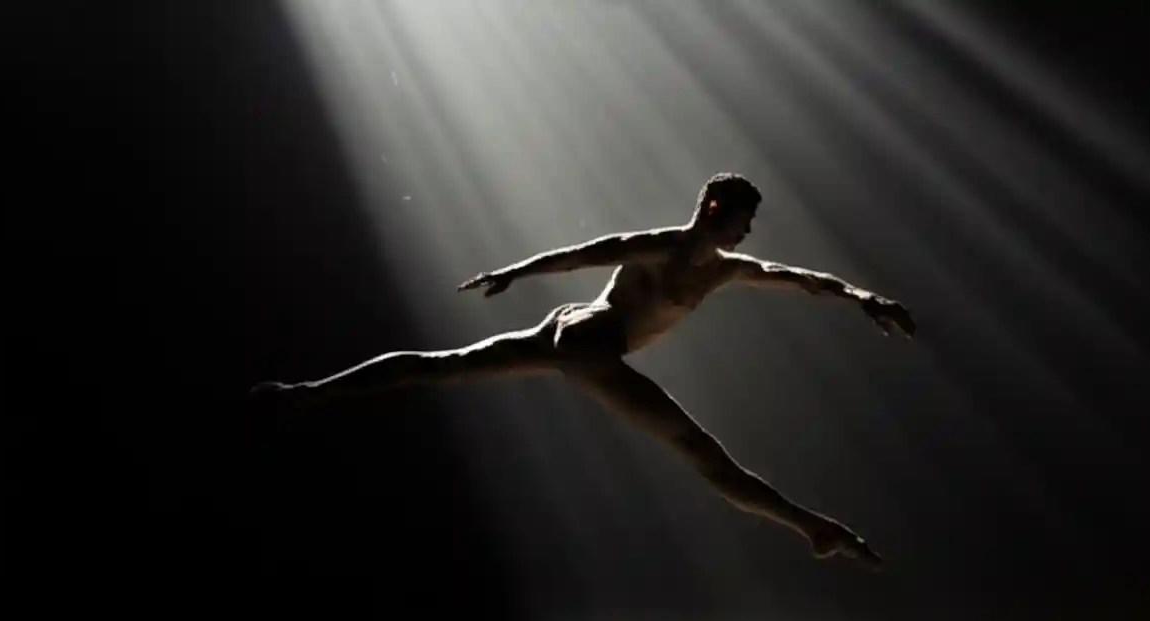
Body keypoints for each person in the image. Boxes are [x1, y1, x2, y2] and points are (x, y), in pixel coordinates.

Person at [251, 173, 916, 570]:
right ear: (715, 210)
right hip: (591, 343)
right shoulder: (665, 246)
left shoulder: (726, 270)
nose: (750, 231)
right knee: (702, 454)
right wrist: (516, 271)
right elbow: (584, 253)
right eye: (745, 219)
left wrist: (864, 297)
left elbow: (799, 279)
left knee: (444, 367)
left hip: (575, 333)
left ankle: (310, 394)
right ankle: (817, 531)